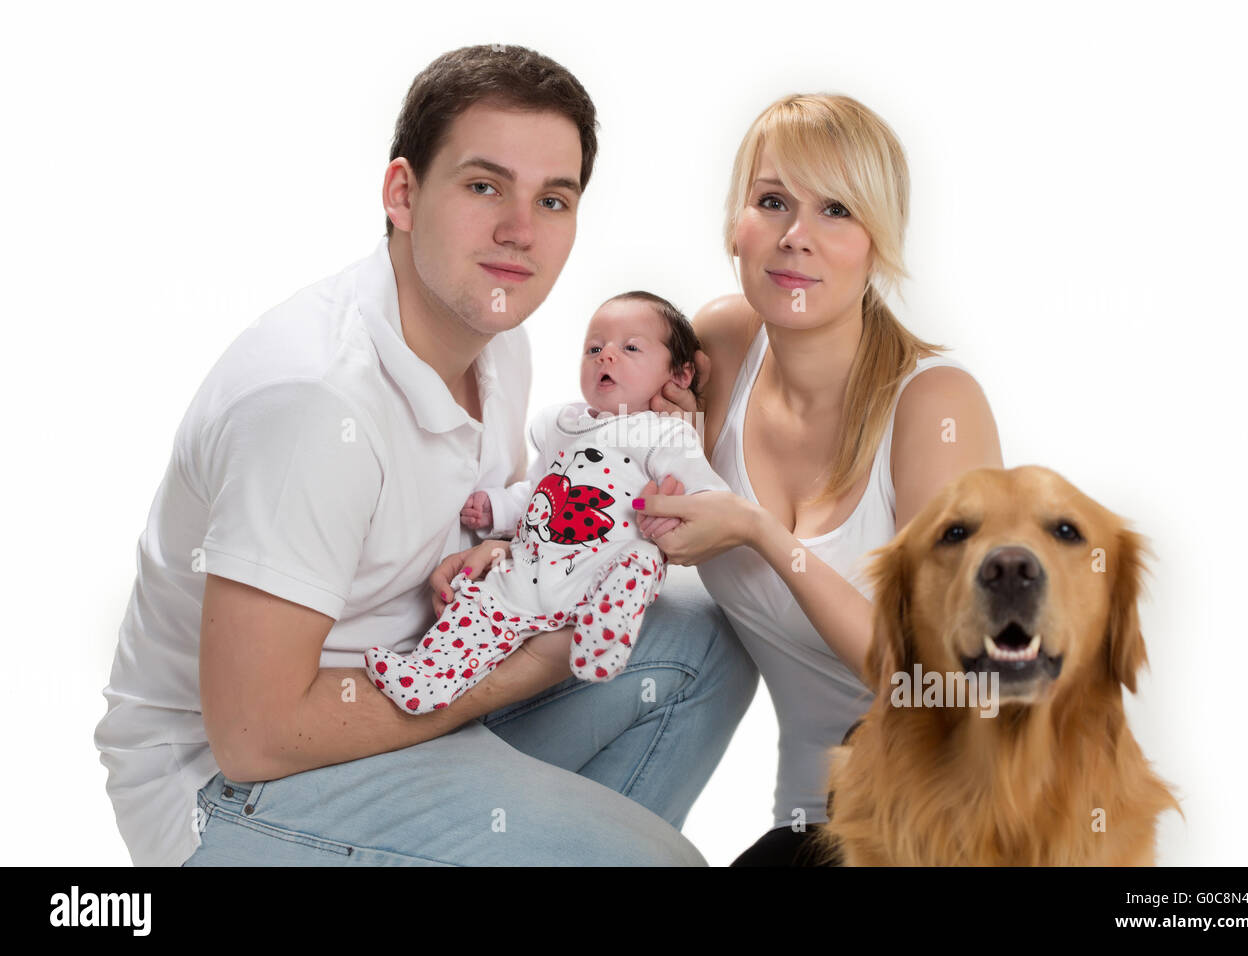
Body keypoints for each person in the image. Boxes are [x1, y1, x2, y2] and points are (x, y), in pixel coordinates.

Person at [93, 44, 756, 868]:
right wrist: (541, 662)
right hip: (233, 787)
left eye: (552, 199)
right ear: (402, 194)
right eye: (484, 186)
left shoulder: (496, 339)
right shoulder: (314, 404)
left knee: (700, 644)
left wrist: (625, 454)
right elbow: (255, 736)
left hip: (408, 680)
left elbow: (503, 527)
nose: (520, 230)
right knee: (656, 864)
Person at [632, 93, 1005, 865]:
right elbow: (616, 503)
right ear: (736, 223)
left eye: (836, 209)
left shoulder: (934, 405)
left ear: (878, 241)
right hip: (812, 822)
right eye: (772, 202)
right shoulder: (723, 344)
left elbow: (940, 681)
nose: (795, 238)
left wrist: (757, 530)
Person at [365, 291, 730, 713]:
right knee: (477, 606)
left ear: (679, 376)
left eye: (630, 348)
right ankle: (427, 678)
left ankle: (604, 634)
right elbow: (539, 490)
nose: (605, 356)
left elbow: (711, 497)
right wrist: (497, 508)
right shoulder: (564, 427)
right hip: (529, 571)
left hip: (601, 573)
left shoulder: (663, 434)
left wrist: (682, 516)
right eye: (595, 348)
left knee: (641, 559)